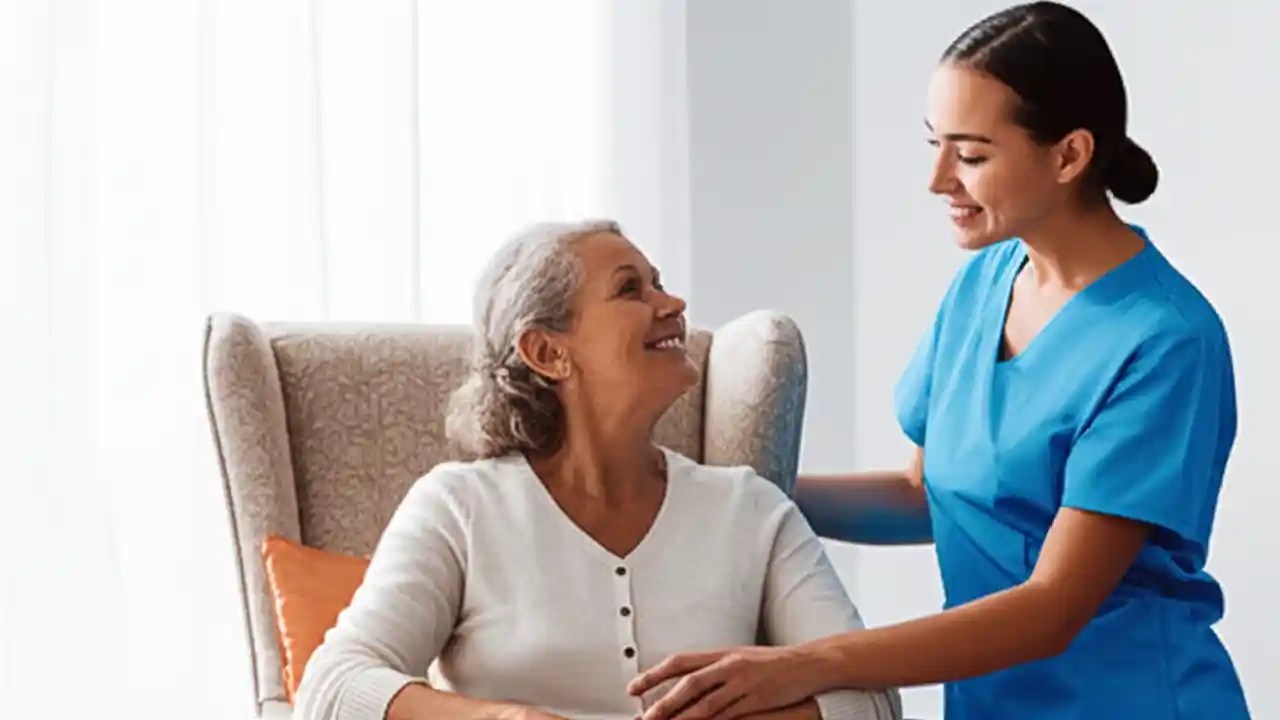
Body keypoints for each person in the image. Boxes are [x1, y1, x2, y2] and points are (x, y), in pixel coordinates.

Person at [626, 3, 1251, 719]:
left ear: (1070, 155)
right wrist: (725, 486)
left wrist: (800, 665)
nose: (937, 179)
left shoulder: (1164, 341)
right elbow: (926, 492)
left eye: (972, 155)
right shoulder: (986, 283)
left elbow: (1052, 608)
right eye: (935, 144)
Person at [292, 219, 902, 720]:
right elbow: (333, 689)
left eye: (659, 284)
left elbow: (872, 699)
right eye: (631, 289)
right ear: (547, 352)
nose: (674, 304)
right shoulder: (460, 506)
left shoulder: (752, 510)